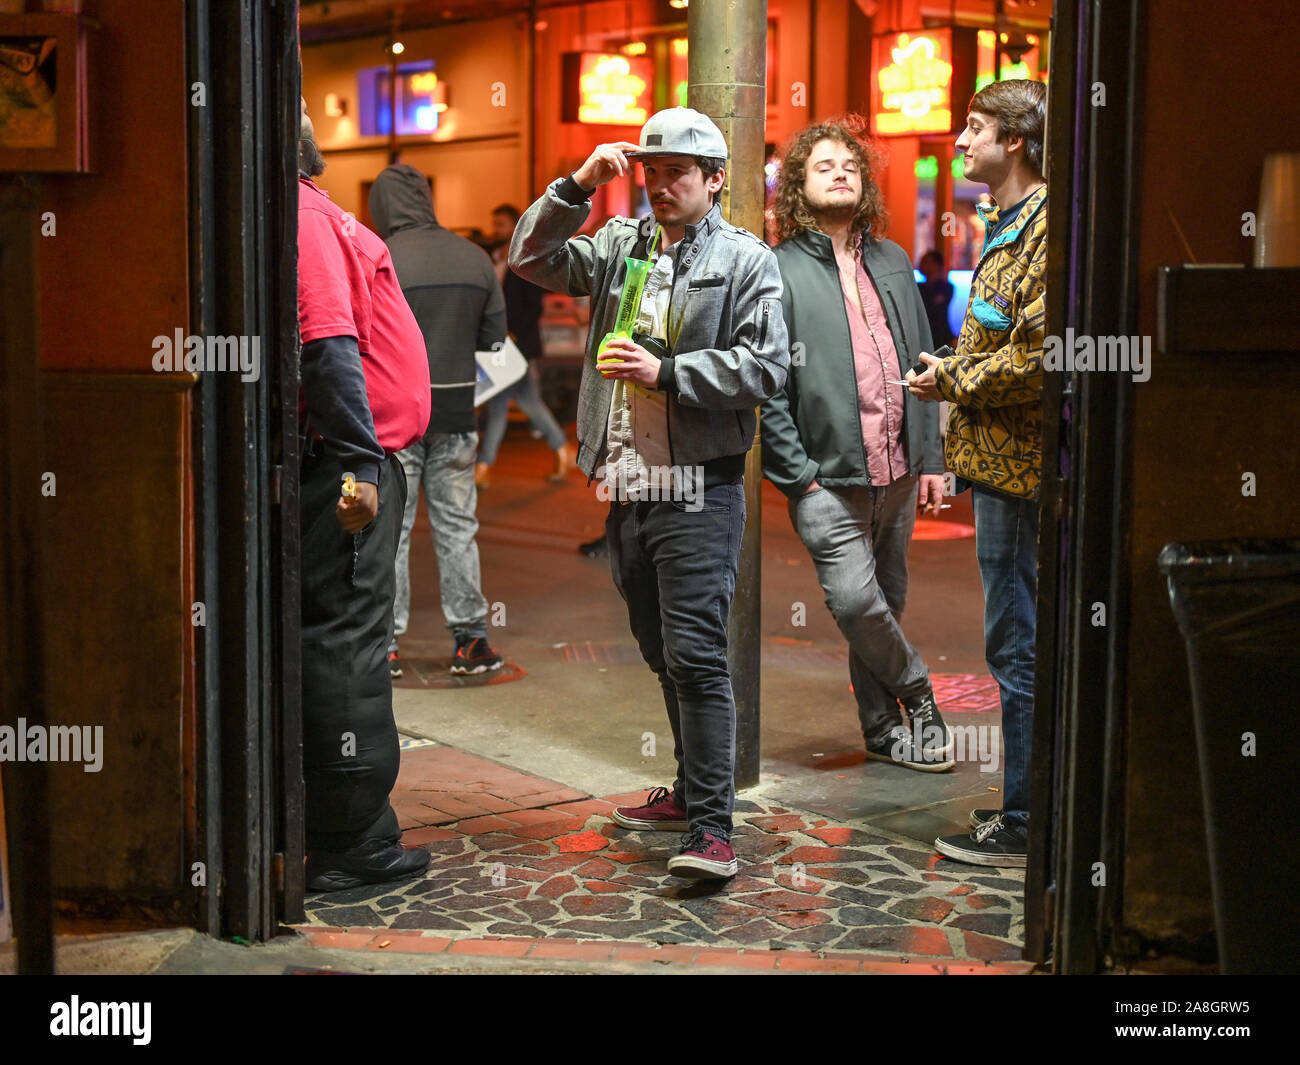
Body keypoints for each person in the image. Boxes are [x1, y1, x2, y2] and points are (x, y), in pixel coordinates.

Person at [510, 107, 789, 879]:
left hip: (699, 486)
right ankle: (690, 790)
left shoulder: (745, 261)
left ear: (714, 181)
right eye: (651, 172)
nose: (661, 186)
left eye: (678, 173)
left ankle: (712, 828)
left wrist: (667, 372)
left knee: (698, 655)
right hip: (629, 486)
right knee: (662, 651)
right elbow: (528, 257)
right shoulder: (617, 244)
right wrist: (577, 184)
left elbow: (767, 370)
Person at [762, 118, 954, 771]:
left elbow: (927, 363)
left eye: (849, 163)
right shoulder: (777, 270)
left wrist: (933, 460)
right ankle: (920, 693)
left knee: (884, 606)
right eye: (824, 166)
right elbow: (767, 385)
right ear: (798, 186)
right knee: (855, 601)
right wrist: (800, 478)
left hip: (898, 470)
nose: (841, 171)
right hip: (828, 479)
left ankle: (882, 730)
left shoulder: (894, 259)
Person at [907, 79, 1049, 867]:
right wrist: (956, 365)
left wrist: (952, 380)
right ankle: (1026, 807)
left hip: (1023, 475)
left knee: (1017, 644)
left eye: (975, 127)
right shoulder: (1007, 224)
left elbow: (1035, 358)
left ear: (1016, 141)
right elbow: (999, 339)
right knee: (1013, 640)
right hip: (997, 469)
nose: (961, 141)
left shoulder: (1045, 226)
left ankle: (1026, 818)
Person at [296, 102, 432, 891]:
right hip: (349, 459)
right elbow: (329, 348)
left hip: (356, 453)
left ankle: (355, 827)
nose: (313, 117)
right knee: (349, 642)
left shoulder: (313, 214)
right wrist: (360, 465)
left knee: (345, 638)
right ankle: (352, 842)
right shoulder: (307, 220)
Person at [368, 165, 508, 678]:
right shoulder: (473, 259)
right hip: (456, 415)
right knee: (457, 527)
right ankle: (471, 641)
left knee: (392, 532)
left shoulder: (379, 258)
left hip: (394, 421)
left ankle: (385, 646)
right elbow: (495, 344)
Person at [476, 203, 576, 487]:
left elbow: (533, 307)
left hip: (516, 344)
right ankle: (560, 448)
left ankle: (483, 465)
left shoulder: (524, 259)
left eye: (501, 225)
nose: (495, 230)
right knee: (526, 402)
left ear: (515, 228)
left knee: (498, 404)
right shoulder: (497, 257)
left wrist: (513, 336)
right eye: (494, 224)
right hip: (506, 344)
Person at [918, 249, 955, 347]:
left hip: (941, 337)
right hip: (923, 336)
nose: (922, 265)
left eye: (927, 262)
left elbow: (933, 311)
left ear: (936, 265)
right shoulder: (918, 287)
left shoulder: (946, 287)